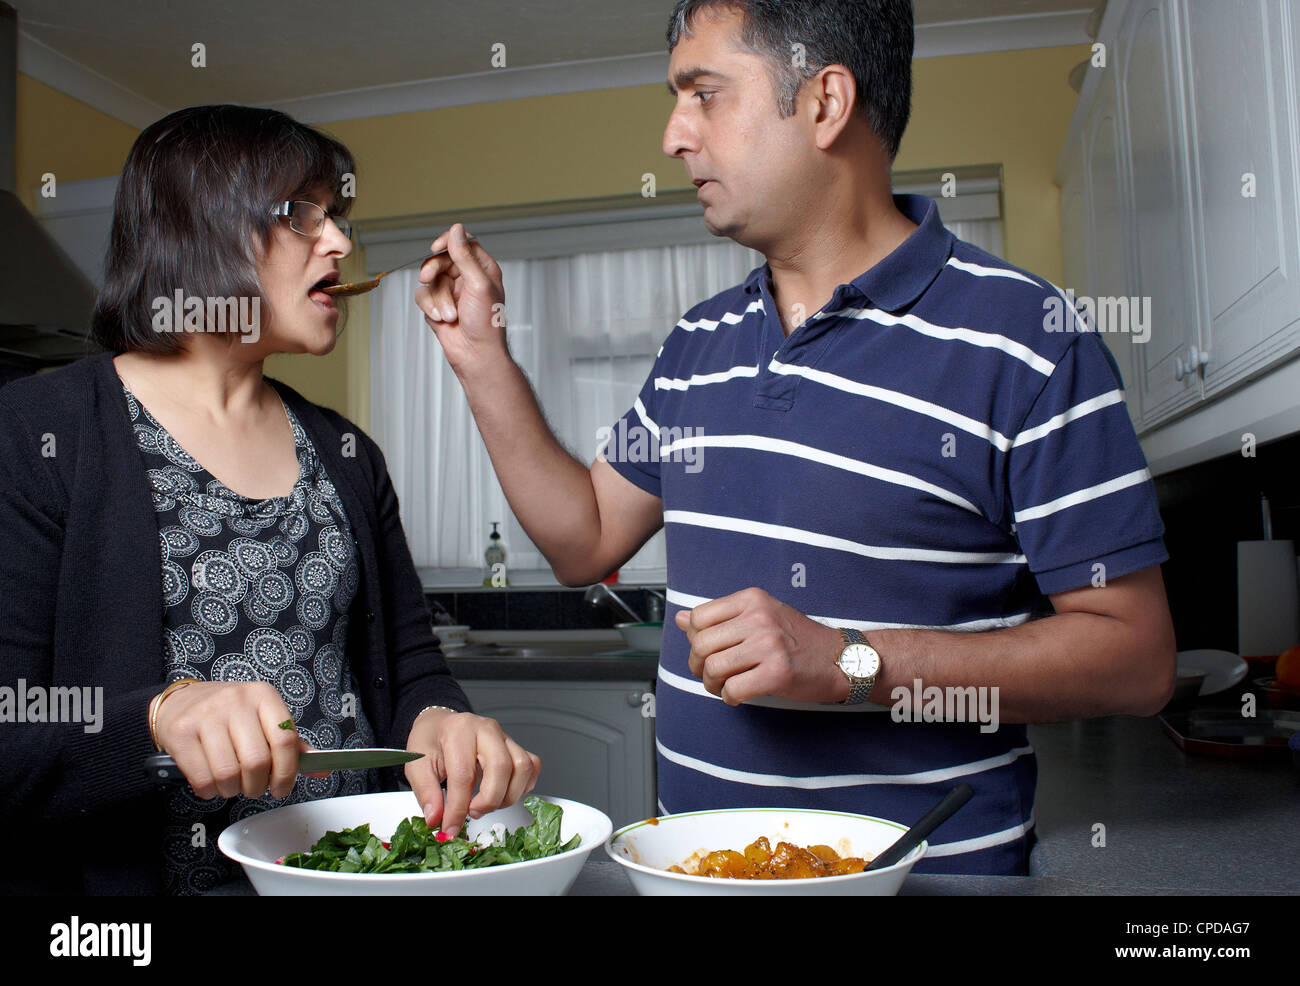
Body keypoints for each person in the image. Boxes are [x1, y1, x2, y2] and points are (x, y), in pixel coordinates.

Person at [414, 0, 1176, 875]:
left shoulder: (1031, 339)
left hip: (931, 883)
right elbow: (582, 540)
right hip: (703, 877)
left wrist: (851, 664)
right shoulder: (697, 346)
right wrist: (479, 356)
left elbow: (1136, 656)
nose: (673, 135)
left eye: (705, 94)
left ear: (825, 102)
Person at [0, 104, 539, 895]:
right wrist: (155, 719)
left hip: (349, 880)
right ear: (196, 226)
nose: (340, 241)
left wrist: (438, 722)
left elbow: (410, 665)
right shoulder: (36, 434)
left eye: (339, 215)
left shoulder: (346, 452)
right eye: (301, 214)